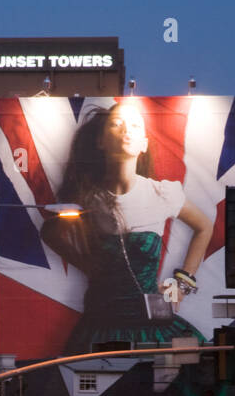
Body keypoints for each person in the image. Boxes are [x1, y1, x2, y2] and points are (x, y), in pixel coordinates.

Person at [40, 100, 214, 354]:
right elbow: (50, 232)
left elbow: (204, 227)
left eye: (134, 124)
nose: (126, 129)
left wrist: (182, 283)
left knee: (189, 375)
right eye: (116, 124)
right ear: (101, 141)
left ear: (143, 144)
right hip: (101, 321)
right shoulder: (86, 197)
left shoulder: (162, 193)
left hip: (152, 322)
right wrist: (85, 264)